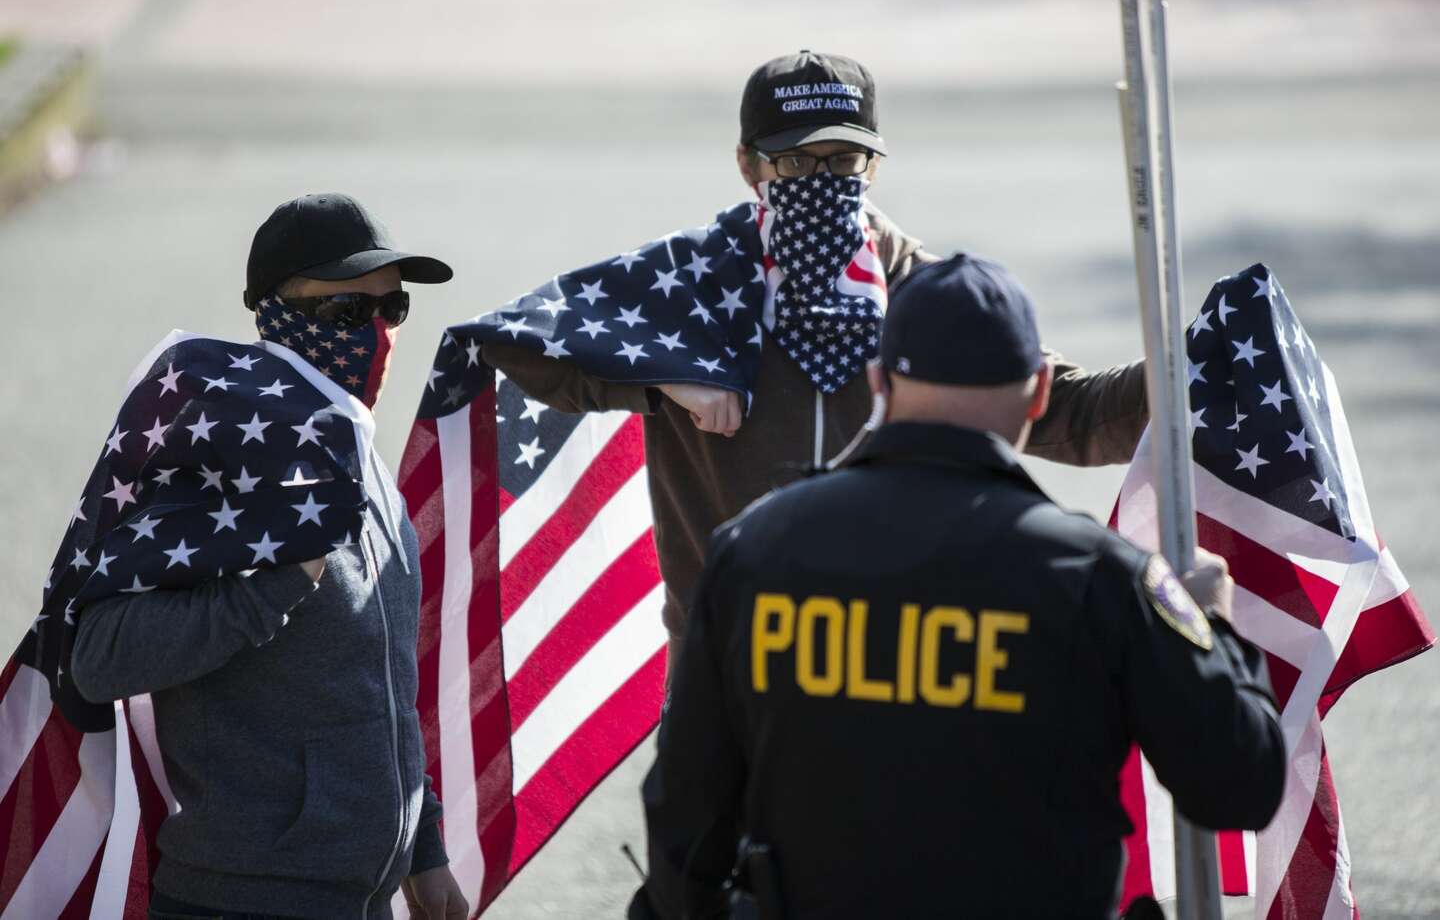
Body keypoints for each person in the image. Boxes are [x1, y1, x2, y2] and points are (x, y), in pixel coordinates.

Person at [627, 254, 1287, 919]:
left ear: (879, 380)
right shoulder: (1099, 577)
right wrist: (1213, 633)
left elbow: (686, 818)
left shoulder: (754, 554)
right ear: (1036, 391)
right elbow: (1240, 787)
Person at [482, 50, 1149, 670]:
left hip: (890, 666)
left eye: (845, 160)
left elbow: (1074, 415)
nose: (822, 181)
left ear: (875, 166)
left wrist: (1181, 374)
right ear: (749, 166)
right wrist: (668, 380)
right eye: (795, 163)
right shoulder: (693, 284)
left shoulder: (929, 292)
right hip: (733, 663)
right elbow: (514, 344)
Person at [69, 194, 469, 920]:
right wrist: (274, 584)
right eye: (348, 313)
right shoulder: (217, 454)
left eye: (393, 310)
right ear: (276, 315)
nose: (376, 333)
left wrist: (425, 850)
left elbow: (384, 685)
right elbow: (99, 657)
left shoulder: (362, 458)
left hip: (368, 899)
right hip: (240, 900)